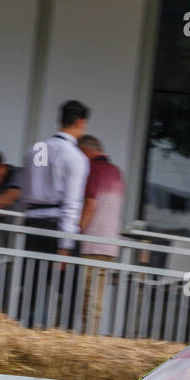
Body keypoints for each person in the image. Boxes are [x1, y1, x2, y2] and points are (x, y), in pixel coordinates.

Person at [21, 100, 91, 328]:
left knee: (31, 284)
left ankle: (29, 329)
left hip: (32, 223)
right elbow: (72, 204)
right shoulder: (75, 156)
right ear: (80, 122)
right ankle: (64, 333)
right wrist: (66, 244)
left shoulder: (35, 149)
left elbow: (26, 191)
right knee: (67, 289)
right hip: (56, 225)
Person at [77, 135, 125, 334]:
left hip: (91, 242)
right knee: (96, 297)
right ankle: (92, 337)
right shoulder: (116, 172)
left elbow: (90, 204)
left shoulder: (92, 170)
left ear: (85, 152)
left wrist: (77, 232)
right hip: (110, 244)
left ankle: (85, 340)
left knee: (86, 297)